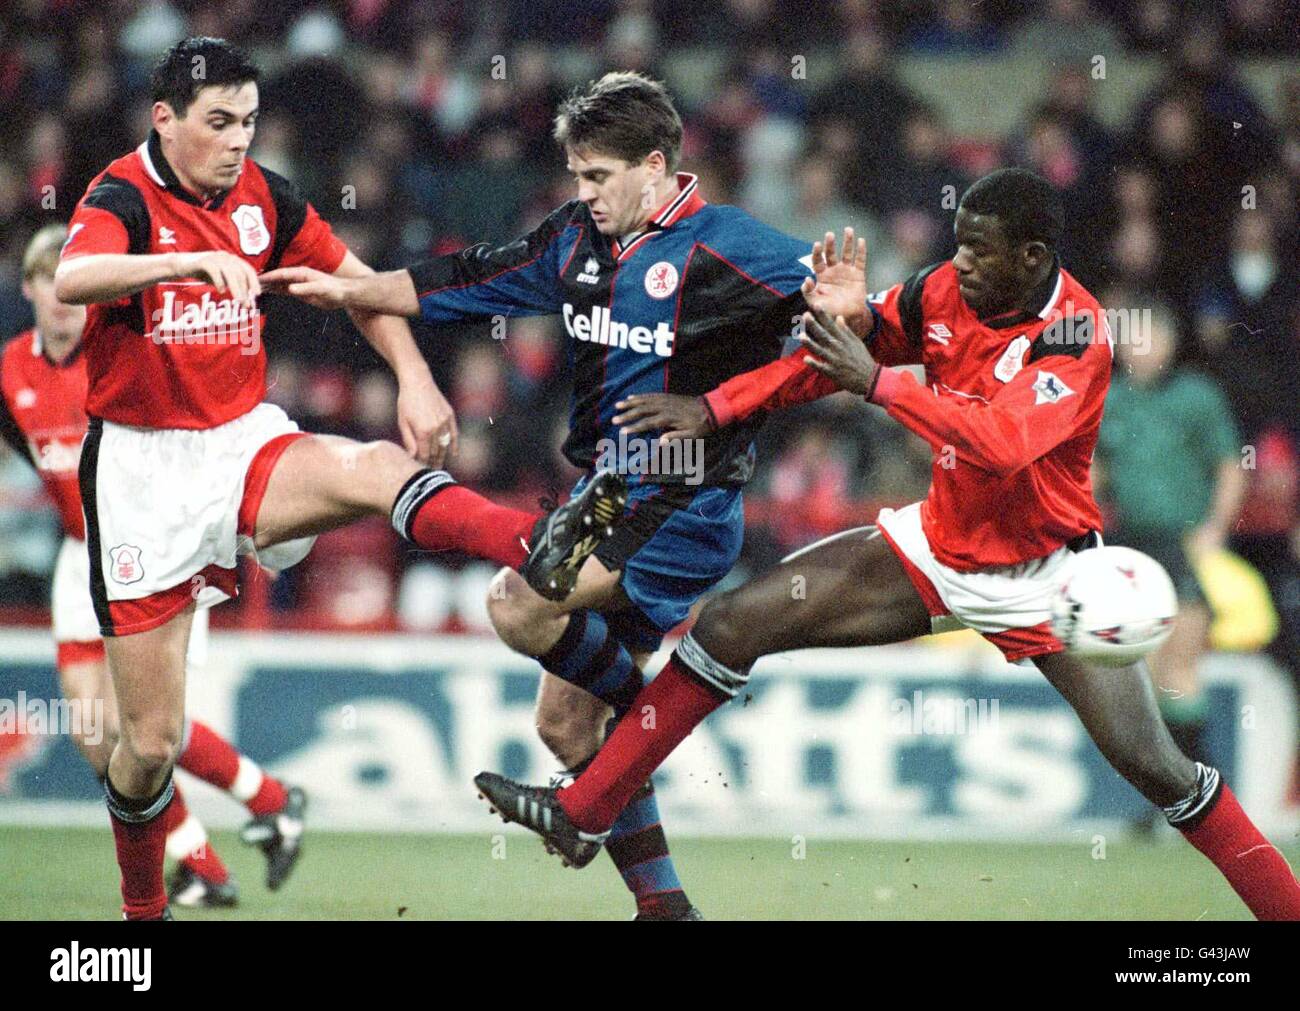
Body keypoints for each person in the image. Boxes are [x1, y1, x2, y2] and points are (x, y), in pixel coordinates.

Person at [474, 168, 1300, 921]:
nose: (961, 262)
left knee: (1162, 772)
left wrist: (879, 379)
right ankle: (586, 812)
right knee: (729, 627)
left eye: (981, 251)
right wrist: (723, 406)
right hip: (933, 553)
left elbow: (1003, 442)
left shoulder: (1075, 335)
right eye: (958, 245)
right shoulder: (943, 291)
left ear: (1033, 255)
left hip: (1048, 577)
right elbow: (836, 359)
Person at [262, 71, 858, 920]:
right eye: (577, 177)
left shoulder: (726, 245)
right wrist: (352, 288)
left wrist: (848, 307)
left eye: (598, 177)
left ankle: (651, 715)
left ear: (655, 166)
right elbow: (462, 277)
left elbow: (846, 312)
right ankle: (665, 905)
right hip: (609, 492)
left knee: (517, 604)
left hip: (684, 499)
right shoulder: (576, 240)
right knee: (567, 729)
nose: (584, 194)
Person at [55, 37, 614, 920]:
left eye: (248, 121)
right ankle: (143, 916)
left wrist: (416, 377)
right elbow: (75, 274)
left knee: (376, 468)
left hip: (241, 444)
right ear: (164, 120)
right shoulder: (122, 194)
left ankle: (543, 547)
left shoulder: (265, 195)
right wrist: (178, 262)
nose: (238, 140)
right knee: (148, 747)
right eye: (218, 123)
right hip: (141, 472)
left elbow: (361, 284)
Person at [0, 224, 305, 907]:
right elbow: (27, 446)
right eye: (46, 281)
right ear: (29, 290)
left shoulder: (116, 357)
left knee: (145, 729)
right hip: (83, 554)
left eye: (68, 282)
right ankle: (212, 844)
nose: (61, 298)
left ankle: (260, 808)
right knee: (94, 732)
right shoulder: (10, 369)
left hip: (151, 550)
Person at [1095, 306, 1245, 772]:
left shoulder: (1196, 397)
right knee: (1146, 676)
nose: (1138, 349)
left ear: (1169, 342)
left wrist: (1217, 527)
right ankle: (1177, 790)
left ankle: (1198, 782)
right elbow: (1093, 472)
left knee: (1178, 669)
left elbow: (1229, 465)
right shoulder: (1110, 399)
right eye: (1131, 340)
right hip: (1128, 548)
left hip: (1181, 545)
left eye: (1148, 338)